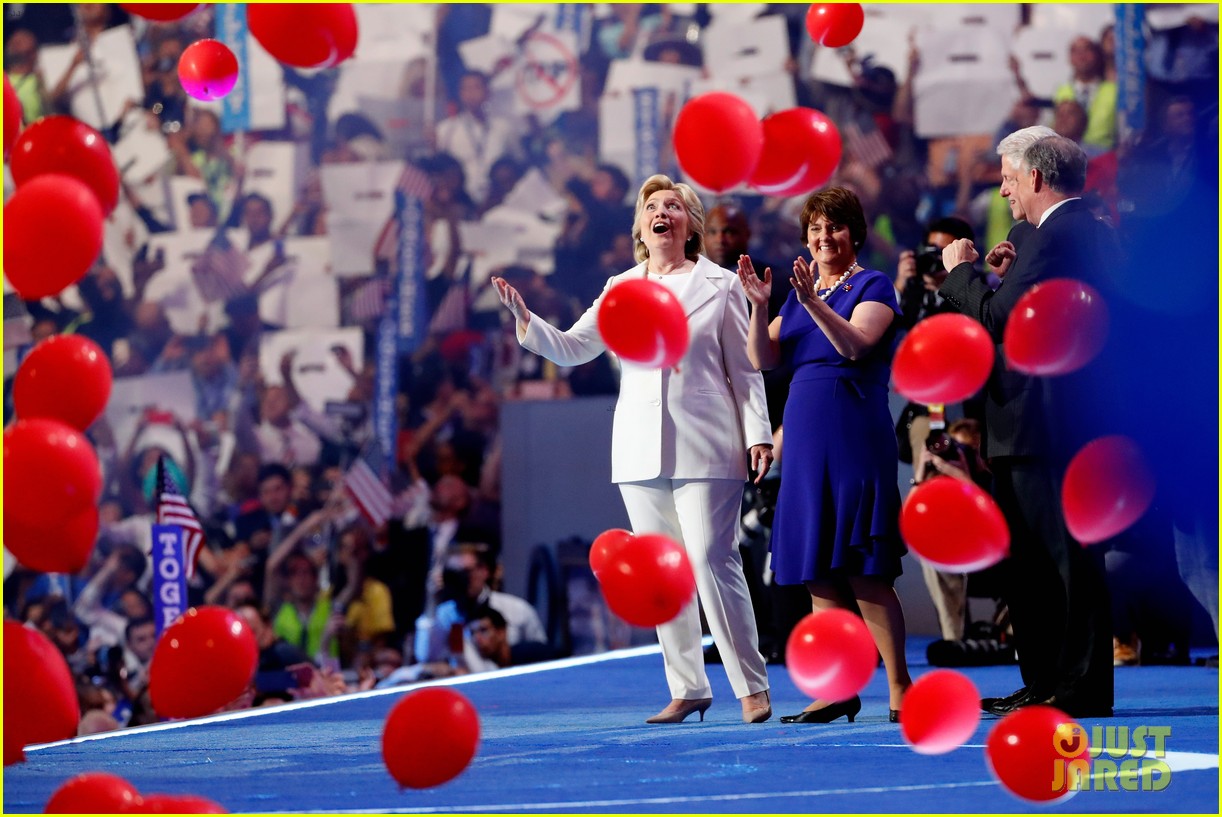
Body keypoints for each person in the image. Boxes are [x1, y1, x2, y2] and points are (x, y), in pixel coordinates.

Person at [493, 174, 774, 725]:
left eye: (672, 205)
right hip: (640, 447)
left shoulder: (720, 285)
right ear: (642, 225)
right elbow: (575, 347)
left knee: (713, 559)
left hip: (709, 443)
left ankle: (751, 685)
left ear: (689, 224)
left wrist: (758, 431)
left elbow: (745, 369)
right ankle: (688, 686)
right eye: (652, 206)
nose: (661, 211)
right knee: (661, 574)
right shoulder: (622, 286)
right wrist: (527, 320)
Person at [936, 129, 1116, 718]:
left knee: (1064, 562)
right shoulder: (1045, 237)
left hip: (1051, 424)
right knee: (1032, 568)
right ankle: (1043, 682)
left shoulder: (1062, 235)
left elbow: (998, 320)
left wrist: (959, 273)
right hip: (1028, 423)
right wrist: (999, 277)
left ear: (1036, 178)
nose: (1005, 189)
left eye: (1010, 178)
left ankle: (1078, 686)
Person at [737, 186, 912, 724]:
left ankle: (900, 684)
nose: (823, 236)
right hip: (808, 442)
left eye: (833, 227)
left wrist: (814, 302)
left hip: (855, 435)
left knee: (863, 567)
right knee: (819, 570)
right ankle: (838, 687)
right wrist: (761, 305)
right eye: (814, 227)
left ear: (853, 233)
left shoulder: (874, 285)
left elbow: (856, 345)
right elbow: (762, 358)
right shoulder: (797, 293)